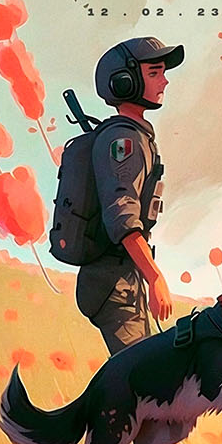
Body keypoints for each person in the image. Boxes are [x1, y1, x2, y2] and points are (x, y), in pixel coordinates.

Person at [79, 37, 180, 354]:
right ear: (124, 83)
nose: (164, 80)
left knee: (146, 381)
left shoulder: (136, 135)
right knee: (142, 383)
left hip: (125, 276)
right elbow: (121, 217)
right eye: (154, 72)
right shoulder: (123, 140)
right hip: (112, 282)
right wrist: (155, 277)